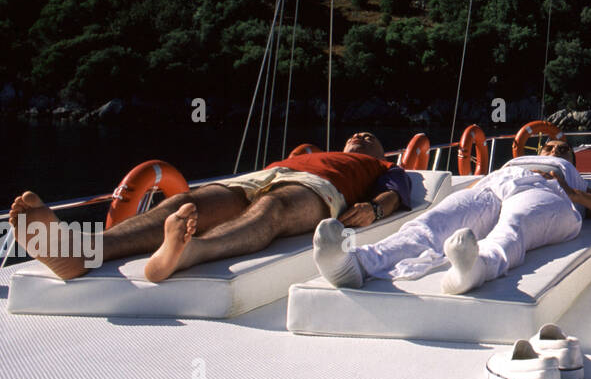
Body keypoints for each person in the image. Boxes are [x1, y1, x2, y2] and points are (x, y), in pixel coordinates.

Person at [7, 131, 411, 282]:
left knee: (274, 209)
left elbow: (396, 192)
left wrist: (375, 210)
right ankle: (82, 250)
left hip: (320, 186)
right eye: (356, 136)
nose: (360, 137)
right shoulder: (308, 152)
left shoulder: (380, 164)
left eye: (369, 137)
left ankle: (190, 251)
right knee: (187, 201)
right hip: (263, 174)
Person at [313, 137, 591, 295]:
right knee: (434, 223)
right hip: (494, 184)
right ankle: (358, 263)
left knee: (515, 228)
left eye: (562, 149)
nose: (552, 151)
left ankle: (475, 268)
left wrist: (572, 192)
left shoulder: (572, 179)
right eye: (548, 148)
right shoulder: (514, 161)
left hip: (548, 192)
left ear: (573, 161)